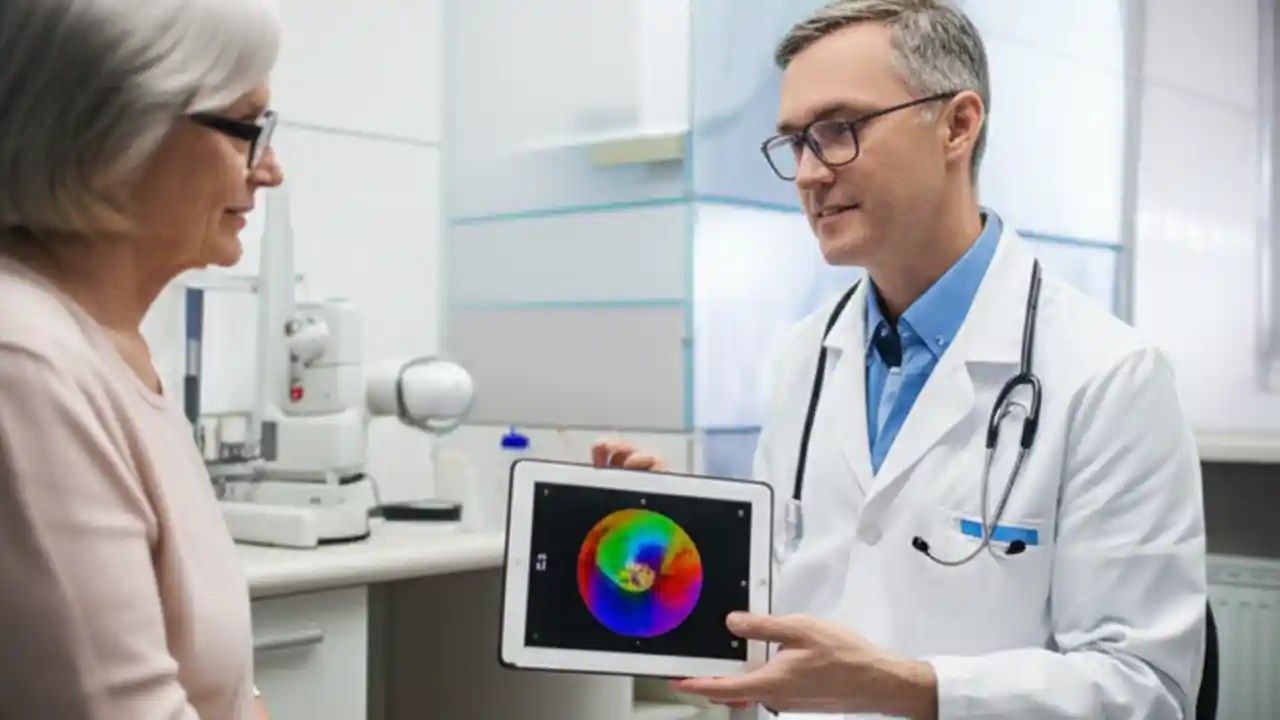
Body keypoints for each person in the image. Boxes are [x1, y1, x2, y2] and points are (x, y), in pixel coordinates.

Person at [592, 1, 1207, 718]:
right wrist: (696, 539)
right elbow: (797, 601)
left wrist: (909, 687)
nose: (808, 175)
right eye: (795, 142)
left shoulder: (1110, 377)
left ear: (957, 124)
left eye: (839, 131)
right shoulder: (808, 355)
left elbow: (1145, 690)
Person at [0, 0, 285, 717]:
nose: (270, 169)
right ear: (111, 127)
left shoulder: (109, 351)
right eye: (247, 130)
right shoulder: (25, 363)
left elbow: (224, 689)